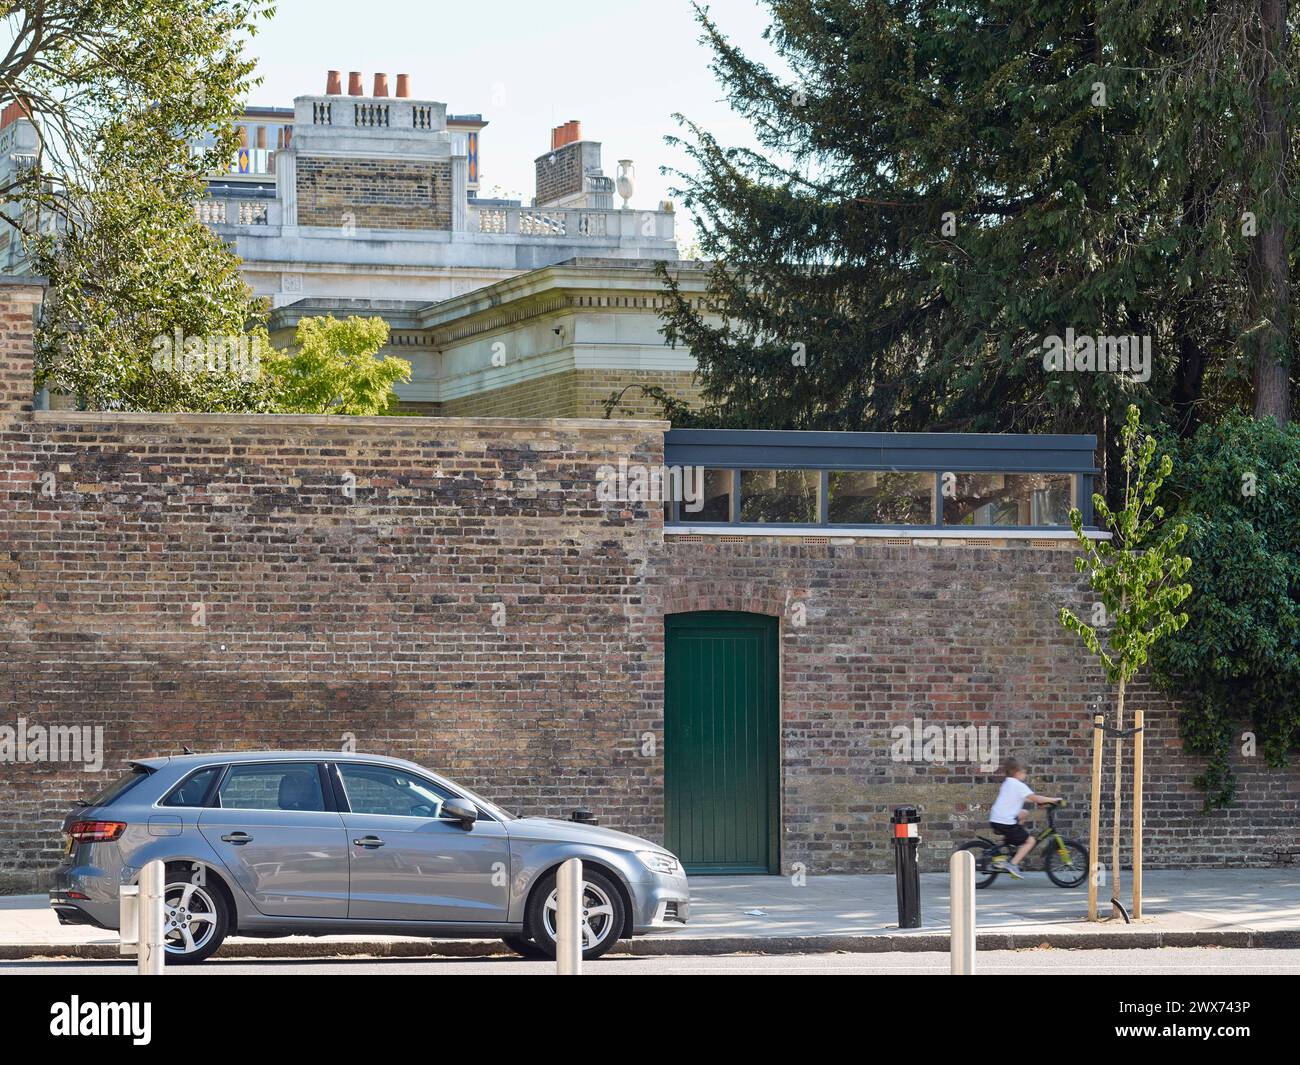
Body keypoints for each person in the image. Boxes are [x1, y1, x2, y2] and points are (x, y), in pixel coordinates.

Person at [988, 757, 1062, 879]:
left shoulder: (1008, 782)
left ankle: (1014, 844)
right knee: (1031, 841)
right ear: (1018, 773)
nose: (1025, 776)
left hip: (997, 819)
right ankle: (1012, 864)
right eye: (1025, 773)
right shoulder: (1018, 785)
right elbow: (1034, 797)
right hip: (1005, 822)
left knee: (1024, 812)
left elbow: (1025, 798)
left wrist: (1039, 802)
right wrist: (1053, 800)